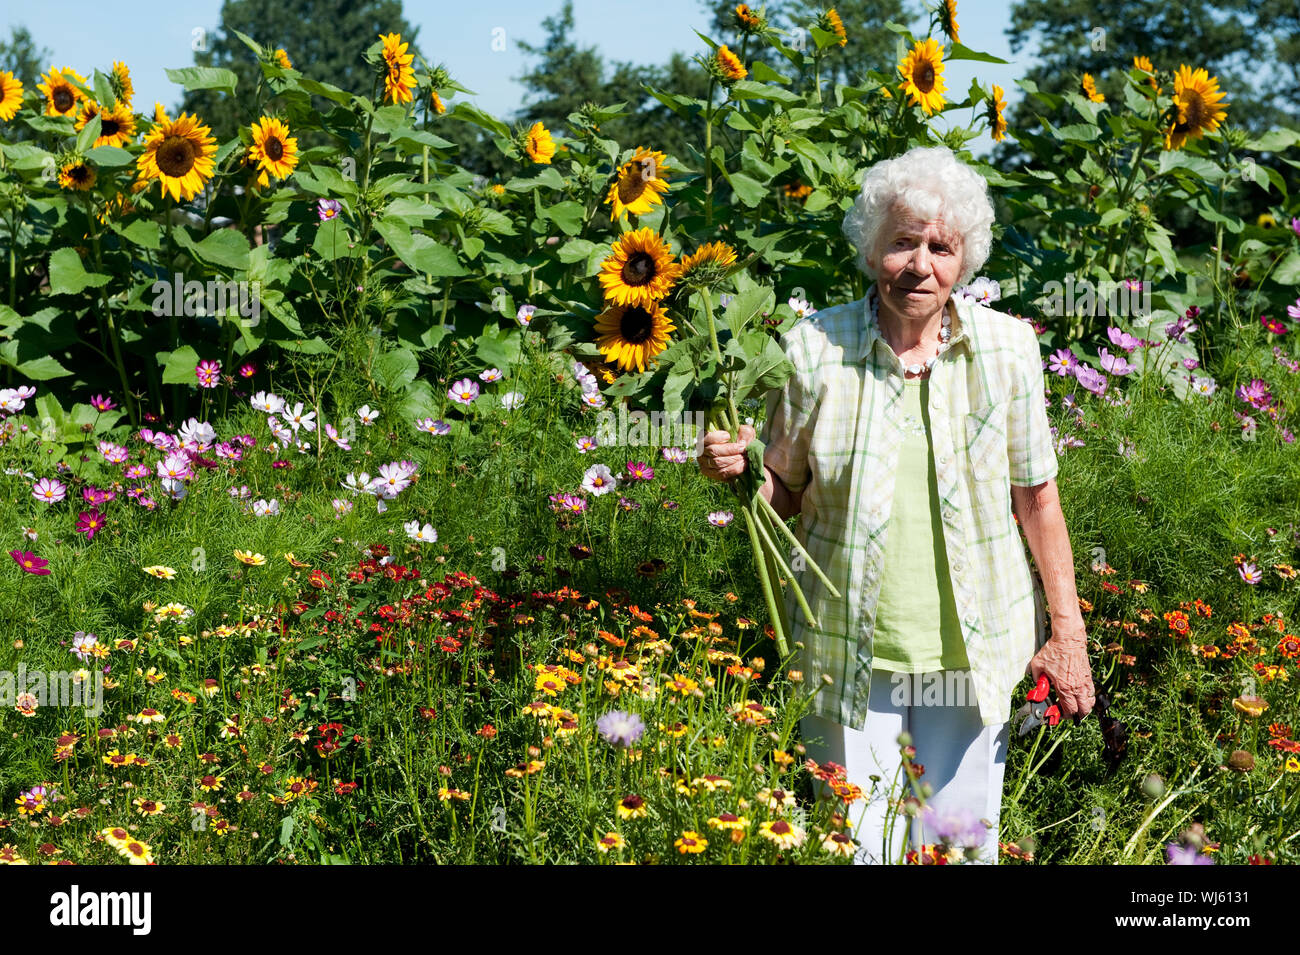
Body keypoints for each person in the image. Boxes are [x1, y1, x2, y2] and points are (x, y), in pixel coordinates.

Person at [698, 144, 1095, 864]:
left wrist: (1068, 634)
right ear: (870, 247)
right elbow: (781, 494)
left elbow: (1038, 499)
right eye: (903, 243)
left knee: (956, 848)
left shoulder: (1006, 351)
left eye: (941, 247)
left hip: (974, 655)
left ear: (964, 259)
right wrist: (738, 469)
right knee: (854, 849)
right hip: (846, 646)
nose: (921, 265)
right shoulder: (813, 348)